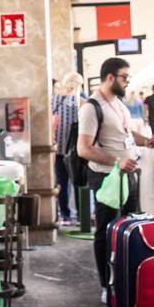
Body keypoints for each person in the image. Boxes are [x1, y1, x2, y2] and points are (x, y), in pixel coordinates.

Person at [77, 57, 154, 304]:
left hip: (128, 176)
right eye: (125, 77)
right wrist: (117, 162)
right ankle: (107, 285)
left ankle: (125, 278)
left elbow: (125, 133)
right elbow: (84, 148)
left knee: (128, 230)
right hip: (107, 178)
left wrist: (146, 141)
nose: (127, 81)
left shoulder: (119, 105)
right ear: (110, 77)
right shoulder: (92, 108)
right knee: (105, 232)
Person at [51, 72, 84, 225]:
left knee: (62, 183)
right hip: (78, 152)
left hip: (59, 150)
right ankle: (82, 215)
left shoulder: (54, 100)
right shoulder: (84, 103)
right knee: (79, 183)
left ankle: (65, 215)